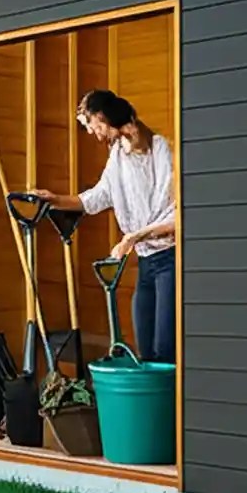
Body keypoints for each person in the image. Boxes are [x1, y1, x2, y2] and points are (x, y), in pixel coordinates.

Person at [30, 89, 176, 364]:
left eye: (95, 126)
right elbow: (98, 196)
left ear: (103, 117)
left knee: (165, 349)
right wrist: (55, 200)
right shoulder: (117, 157)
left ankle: (174, 407)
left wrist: (131, 238)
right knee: (145, 348)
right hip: (145, 263)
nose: (95, 135)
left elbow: (176, 217)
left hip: (170, 259)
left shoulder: (161, 150)